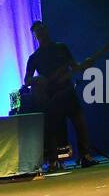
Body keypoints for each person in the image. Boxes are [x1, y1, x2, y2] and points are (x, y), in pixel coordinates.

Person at [23, 21, 95, 169]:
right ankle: (53, 161)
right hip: (51, 96)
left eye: (42, 30)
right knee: (52, 130)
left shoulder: (61, 48)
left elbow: (74, 66)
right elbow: (26, 80)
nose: (41, 33)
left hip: (67, 91)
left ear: (46, 30)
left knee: (79, 124)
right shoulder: (34, 57)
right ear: (35, 36)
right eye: (38, 32)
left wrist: (84, 65)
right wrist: (37, 79)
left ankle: (85, 156)